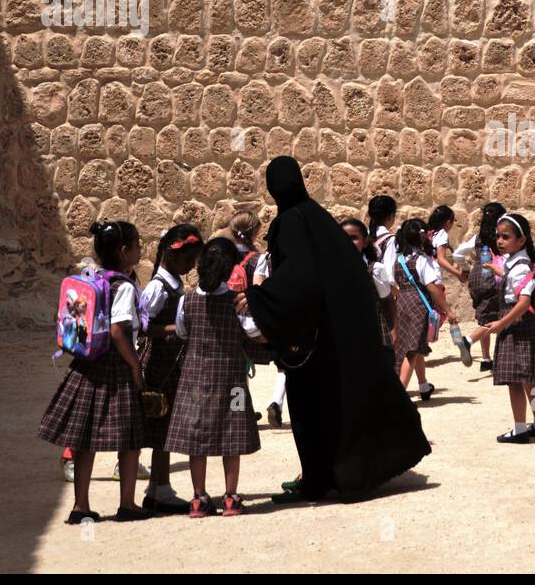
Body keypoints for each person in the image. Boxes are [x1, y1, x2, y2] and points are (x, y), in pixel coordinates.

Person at [239, 157, 430, 503]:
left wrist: (258, 298)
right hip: (341, 332)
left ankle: (319, 479)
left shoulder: (288, 224)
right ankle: (349, 472)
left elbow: (299, 281)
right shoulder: (319, 219)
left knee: (312, 408)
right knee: (342, 401)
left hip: (315, 340)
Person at [37, 221, 150, 523]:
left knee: (84, 438)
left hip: (87, 365)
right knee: (130, 437)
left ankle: (80, 506)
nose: (141, 249)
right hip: (116, 366)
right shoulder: (124, 285)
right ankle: (127, 503)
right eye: (137, 244)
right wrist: (135, 364)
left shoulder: (93, 277)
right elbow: (117, 330)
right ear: (125, 251)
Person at [166, 238, 264, 517]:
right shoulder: (236, 302)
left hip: (196, 380)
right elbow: (253, 331)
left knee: (198, 434)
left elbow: (183, 333)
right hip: (232, 380)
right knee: (231, 431)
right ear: (230, 268)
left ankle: (198, 498)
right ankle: (231, 497)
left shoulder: (188, 299)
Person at [136, 223, 203, 515]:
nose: (190, 265)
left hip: (172, 362)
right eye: (187, 259)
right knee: (162, 427)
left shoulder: (173, 283)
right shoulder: (157, 287)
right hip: (160, 364)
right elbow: (143, 326)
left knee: (166, 425)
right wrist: (176, 328)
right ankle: (161, 489)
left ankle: (156, 488)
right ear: (170, 254)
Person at [475, 213, 535, 443]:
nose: (500, 241)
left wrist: (501, 323)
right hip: (520, 324)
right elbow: (515, 280)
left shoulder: (520, 264)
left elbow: (522, 302)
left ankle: (519, 428)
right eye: (498, 236)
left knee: (514, 380)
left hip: (516, 325)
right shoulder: (516, 261)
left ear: (521, 241)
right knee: (530, 378)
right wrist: (498, 270)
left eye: (506, 237)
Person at [217, 211, 286, 427]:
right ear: (254, 231)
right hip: (247, 317)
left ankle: (238, 410)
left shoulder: (221, 253)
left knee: (233, 367)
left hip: (223, 315)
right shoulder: (258, 259)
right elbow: (259, 288)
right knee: (278, 361)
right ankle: (251, 408)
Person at [392, 218, 458, 400]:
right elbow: (431, 287)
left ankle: (423, 386)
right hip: (418, 305)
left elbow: (393, 284)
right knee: (412, 351)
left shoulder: (398, 260)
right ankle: (399, 398)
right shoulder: (422, 260)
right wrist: (447, 310)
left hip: (402, 303)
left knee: (414, 344)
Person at [340, 218, 396, 363]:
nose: (348, 242)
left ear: (365, 242)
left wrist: (393, 331)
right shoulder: (333, 271)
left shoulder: (376, 269)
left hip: (373, 330)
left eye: (354, 238)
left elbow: (387, 300)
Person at [463, 202, 506, 372]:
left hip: (475, 277)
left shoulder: (477, 237)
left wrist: (464, 269)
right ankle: (469, 340)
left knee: (483, 316)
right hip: (491, 277)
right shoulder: (501, 237)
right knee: (491, 319)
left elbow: (459, 253)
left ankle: (486, 359)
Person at [427, 204, 468, 284]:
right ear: (448, 222)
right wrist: (459, 275)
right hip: (433, 277)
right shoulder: (442, 234)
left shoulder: (428, 233)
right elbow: (441, 259)